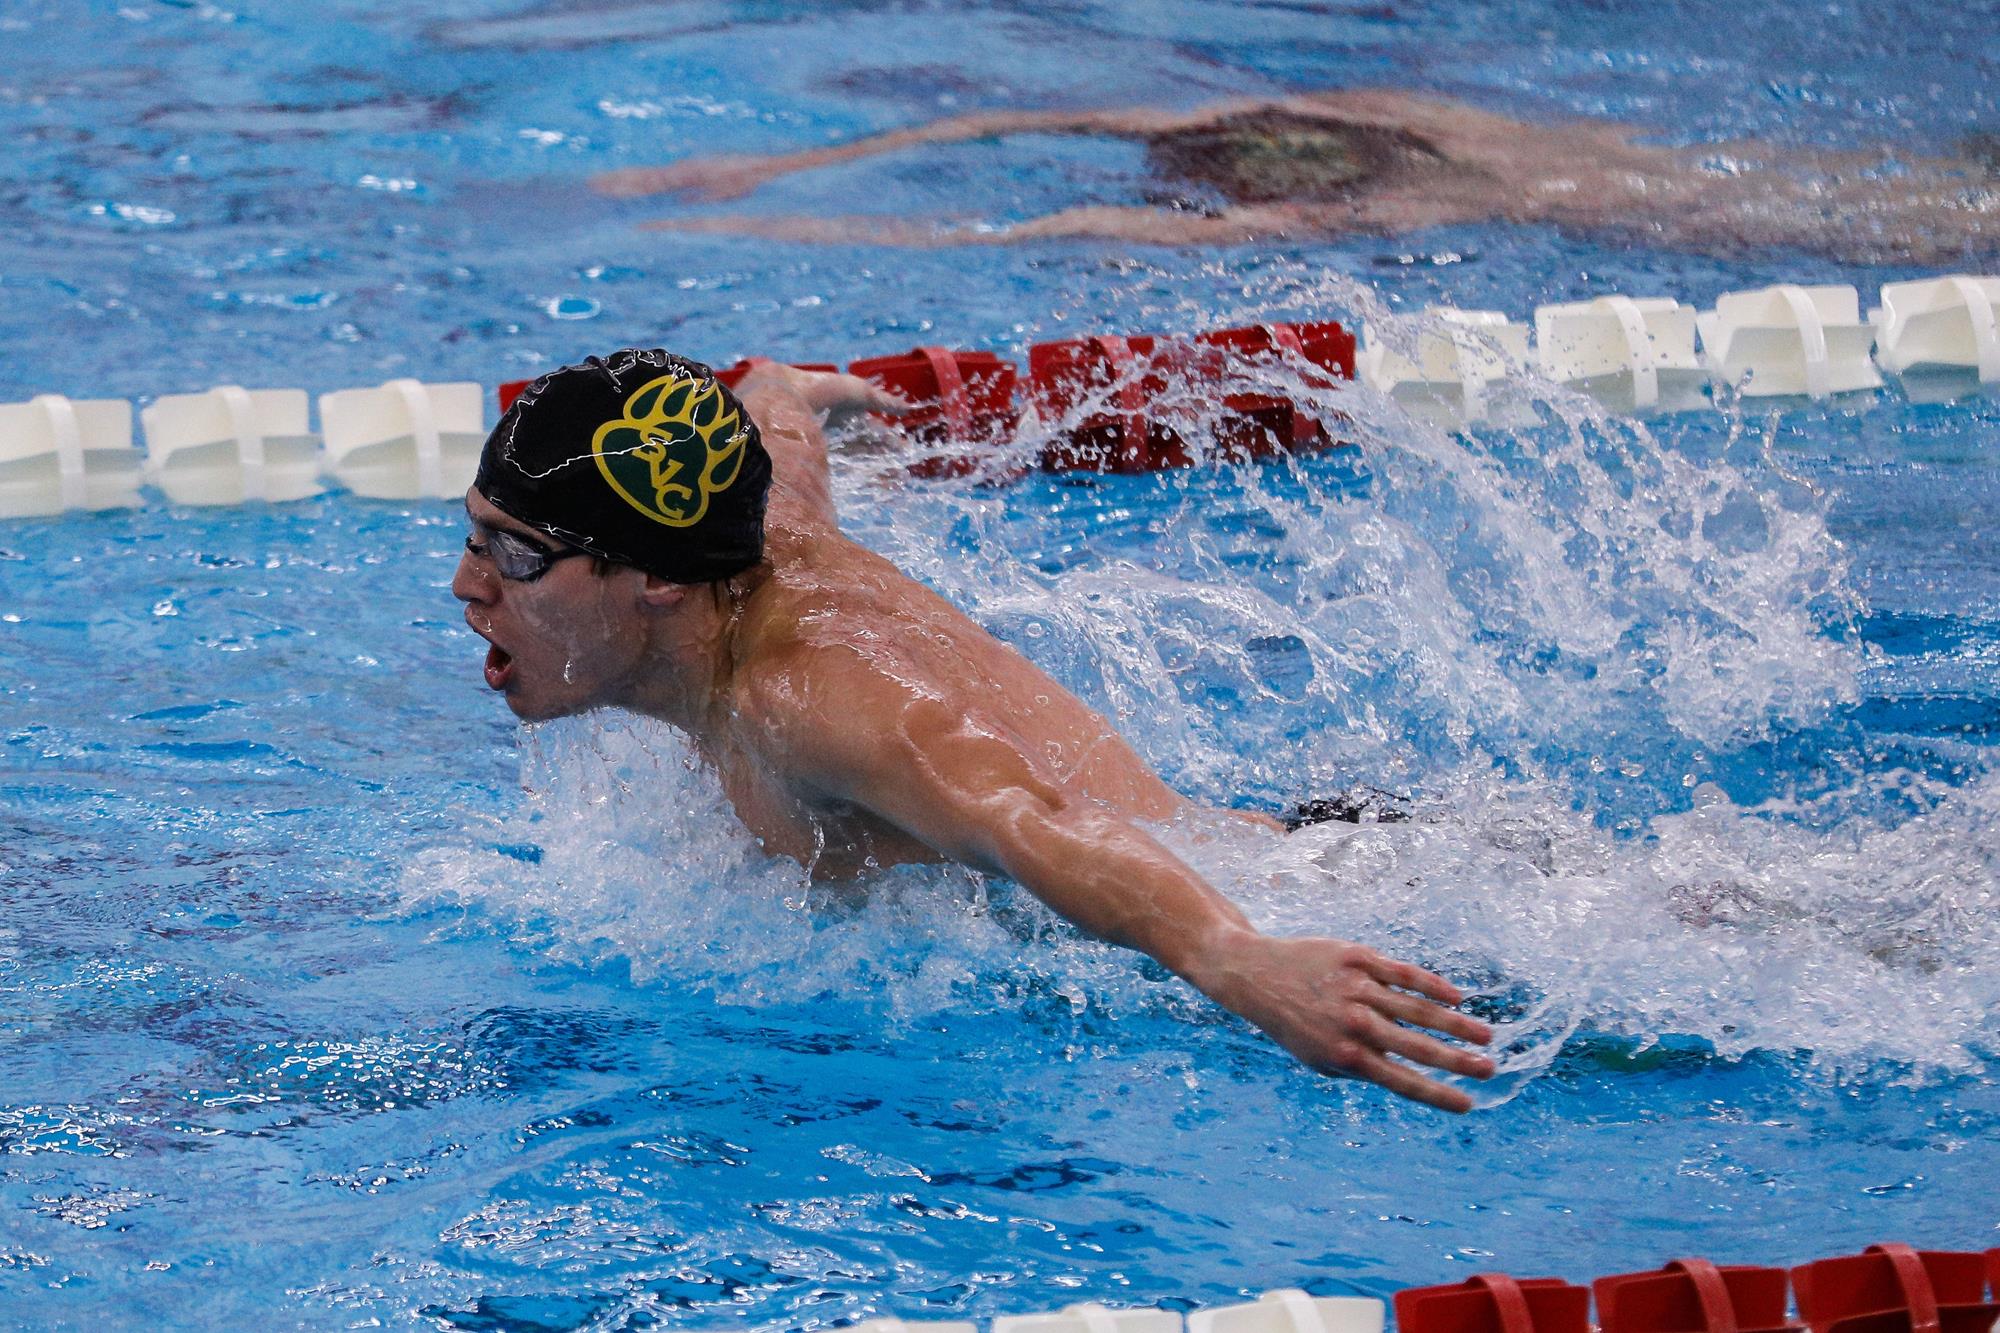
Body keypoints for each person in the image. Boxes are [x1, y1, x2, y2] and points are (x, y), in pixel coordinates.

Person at [454, 347, 1496, 1111]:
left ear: (660, 583)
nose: (468, 586)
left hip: (1351, 913)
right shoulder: (751, 536)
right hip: (1296, 855)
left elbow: (1025, 817)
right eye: (472, 537)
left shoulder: (813, 702)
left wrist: (1237, 960)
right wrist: (785, 391)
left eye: (517, 555)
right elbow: (773, 425)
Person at [592, 89, 1998, 264]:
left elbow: (1034, 208)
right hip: (1760, 159)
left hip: (1705, 217)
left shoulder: (1408, 203)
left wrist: (791, 205)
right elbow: (1039, 124)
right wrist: (792, 159)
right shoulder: (1398, 116)